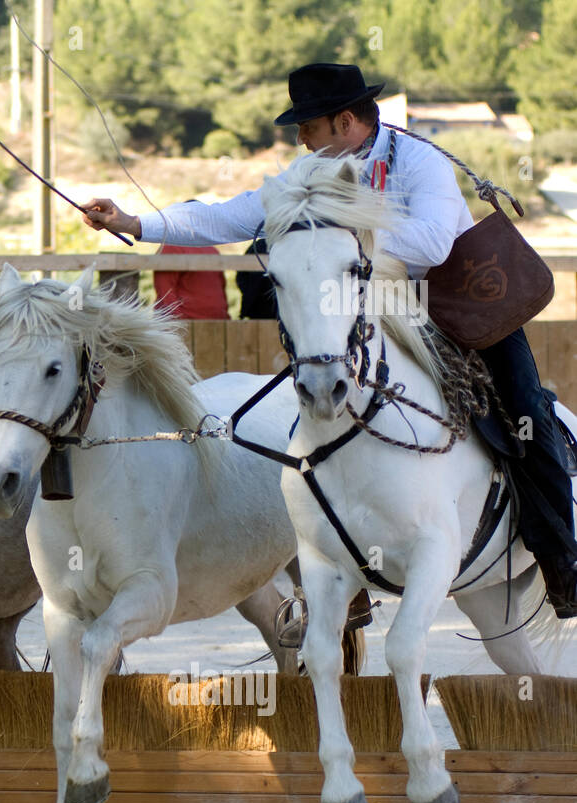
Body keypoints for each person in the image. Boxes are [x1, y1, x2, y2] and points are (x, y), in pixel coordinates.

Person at [82, 62, 577, 618]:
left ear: (345, 121)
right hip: (377, 309)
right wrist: (135, 223)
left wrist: (344, 234)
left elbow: (436, 243)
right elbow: (233, 215)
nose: (300, 139)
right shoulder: (309, 169)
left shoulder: (420, 161)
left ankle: (563, 561)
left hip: (461, 306)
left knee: (526, 407)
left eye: (307, 126)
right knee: (318, 410)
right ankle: (346, 573)